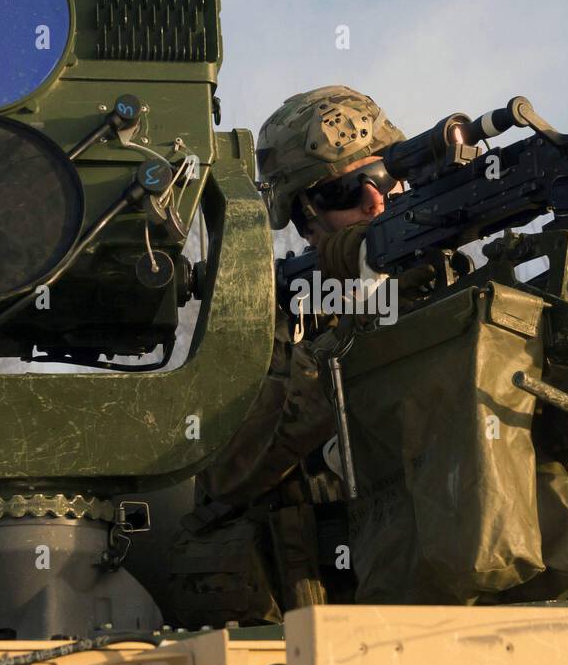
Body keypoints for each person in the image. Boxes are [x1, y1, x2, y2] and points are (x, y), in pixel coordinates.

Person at [165, 86, 407, 628]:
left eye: (388, 178)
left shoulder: (443, 284)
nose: (377, 202)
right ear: (306, 219)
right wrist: (349, 337)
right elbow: (228, 472)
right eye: (349, 190)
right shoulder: (276, 315)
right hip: (308, 623)